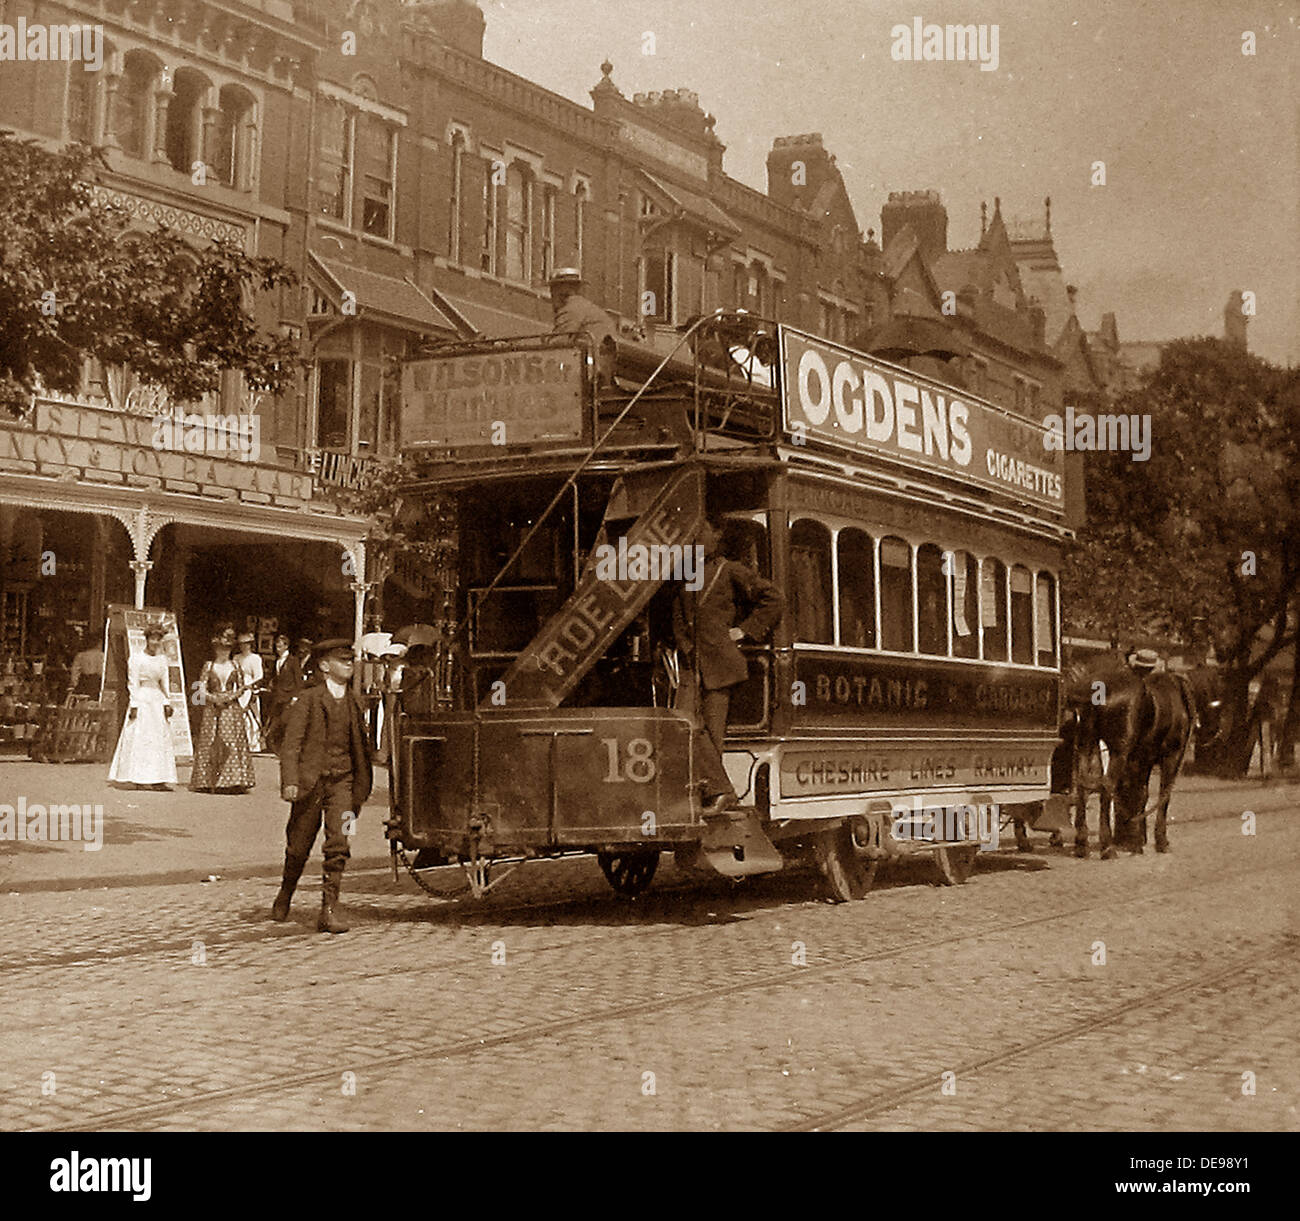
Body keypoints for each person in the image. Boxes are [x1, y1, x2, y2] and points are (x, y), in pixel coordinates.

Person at [672, 517, 784, 811]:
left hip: (720, 665)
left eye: (702, 533)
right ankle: (722, 791)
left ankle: (714, 796)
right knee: (684, 726)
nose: (696, 540)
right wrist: (684, 645)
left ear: (717, 536)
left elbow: (774, 598)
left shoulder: (729, 570)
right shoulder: (688, 573)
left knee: (711, 734)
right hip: (691, 664)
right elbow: (682, 616)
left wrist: (745, 630)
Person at [272, 639, 373, 933]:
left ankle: (329, 910)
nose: (350, 665)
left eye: (351, 660)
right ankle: (285, 893)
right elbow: (291, 745)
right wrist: (289, 780)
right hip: (310, 784)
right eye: (343, 661)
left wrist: (361, 785)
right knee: (299, 845)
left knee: (339, 844)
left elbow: (360, 746)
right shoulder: (309, 699)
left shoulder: (355, 700)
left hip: (344, 783)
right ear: (325, 666)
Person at [106, 624, 177, 790]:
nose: (155, 642)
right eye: (153, 639)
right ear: (147, 640)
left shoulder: (162, 659)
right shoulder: (137, 658)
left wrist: (167, 702)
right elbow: (133, 682)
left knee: (158, 739)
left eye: (158, 639)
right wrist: (135, 704)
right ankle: (140, 778)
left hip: (157, 700)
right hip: (143, 698)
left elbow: (164, 682)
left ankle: (158, 779)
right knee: (141, 738)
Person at [189, 627, 255, 793]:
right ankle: (207, 779)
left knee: (230, 742)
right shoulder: (209, 666)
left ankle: (233, 780)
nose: (223, 651)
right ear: (215, 649)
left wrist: (229, 698)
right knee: (210, 741)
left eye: (226, 648)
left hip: (230, 709)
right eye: (220, 648)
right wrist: (214, 699)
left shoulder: (235, 665)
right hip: (213, 708)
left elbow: (242, 687)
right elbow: (201, 688)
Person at [548, 268, 616, 349]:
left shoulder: (570, 309)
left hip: (589, 357)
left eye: (553, 290)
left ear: (560, 291)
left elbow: (557, 343)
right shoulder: (589, 308)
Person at [265, 632, 306, 754]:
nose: (277, 649)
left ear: (286, 646)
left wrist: (295, 697)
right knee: (276, 721)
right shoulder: (277, 661)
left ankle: (285, 747)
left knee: (285, 721)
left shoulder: (293, 661)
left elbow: (298, 681)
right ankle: (277, 746)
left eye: (280, 646)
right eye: (276, 646)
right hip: (278, 696)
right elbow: (274, 678)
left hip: (288, 696)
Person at [234, 632, 265, 753]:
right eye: (241, 644)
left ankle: (253, 744)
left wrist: (251, 688)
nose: (244, 647)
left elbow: (259, 675)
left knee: (252, 716)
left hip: (250, 689)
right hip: (238, 689)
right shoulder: (236, 658)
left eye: (246, 644)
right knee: (239, 716)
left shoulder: (255, 658)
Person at [68, 632, 104, 698]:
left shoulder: (80, 655)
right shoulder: (102, 656)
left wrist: (74, 683)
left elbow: (75, 671)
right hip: (96, 681)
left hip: (84, 681)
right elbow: (102, 670)